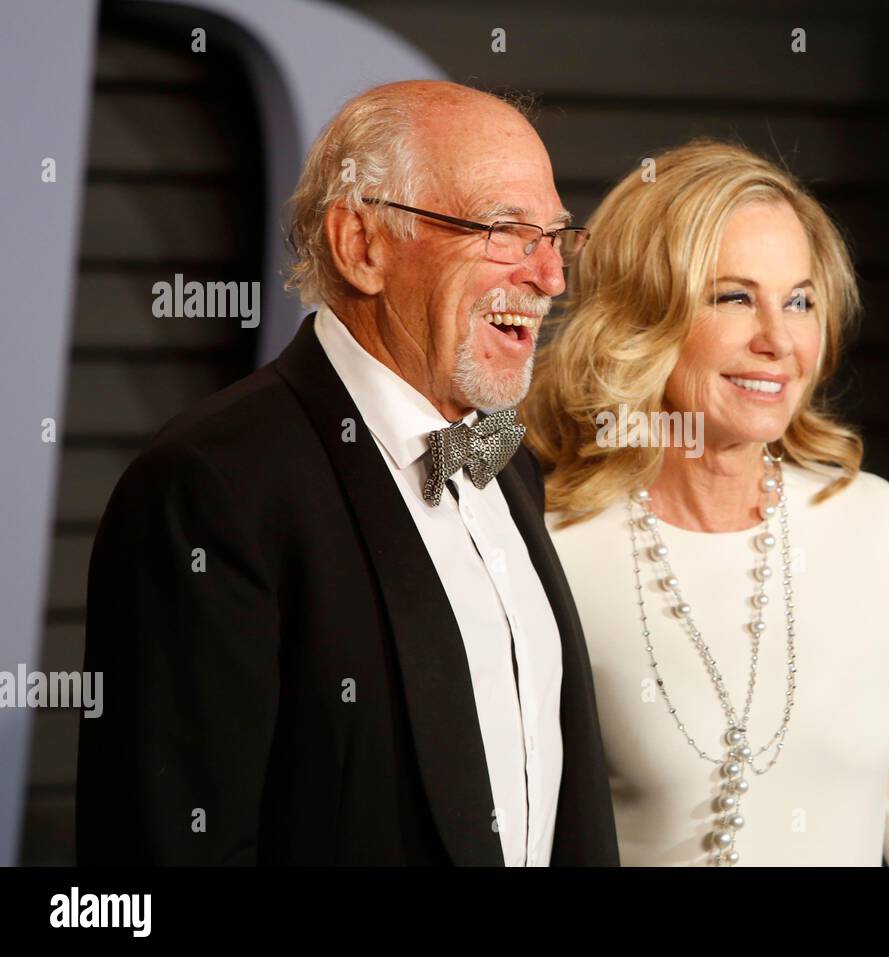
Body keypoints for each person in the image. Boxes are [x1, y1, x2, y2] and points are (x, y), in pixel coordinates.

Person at [76, 80, 618, 866]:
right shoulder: (210, 488)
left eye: (555, 237)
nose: (549, 278)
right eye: (505, 231)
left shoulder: (509, 465)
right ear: (361, 245)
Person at [522, 139, 889, 866]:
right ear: (645, 314)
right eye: (735, 297)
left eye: (801, 301)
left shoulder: (879, 525)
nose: (779, 339)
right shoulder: (551, 545)